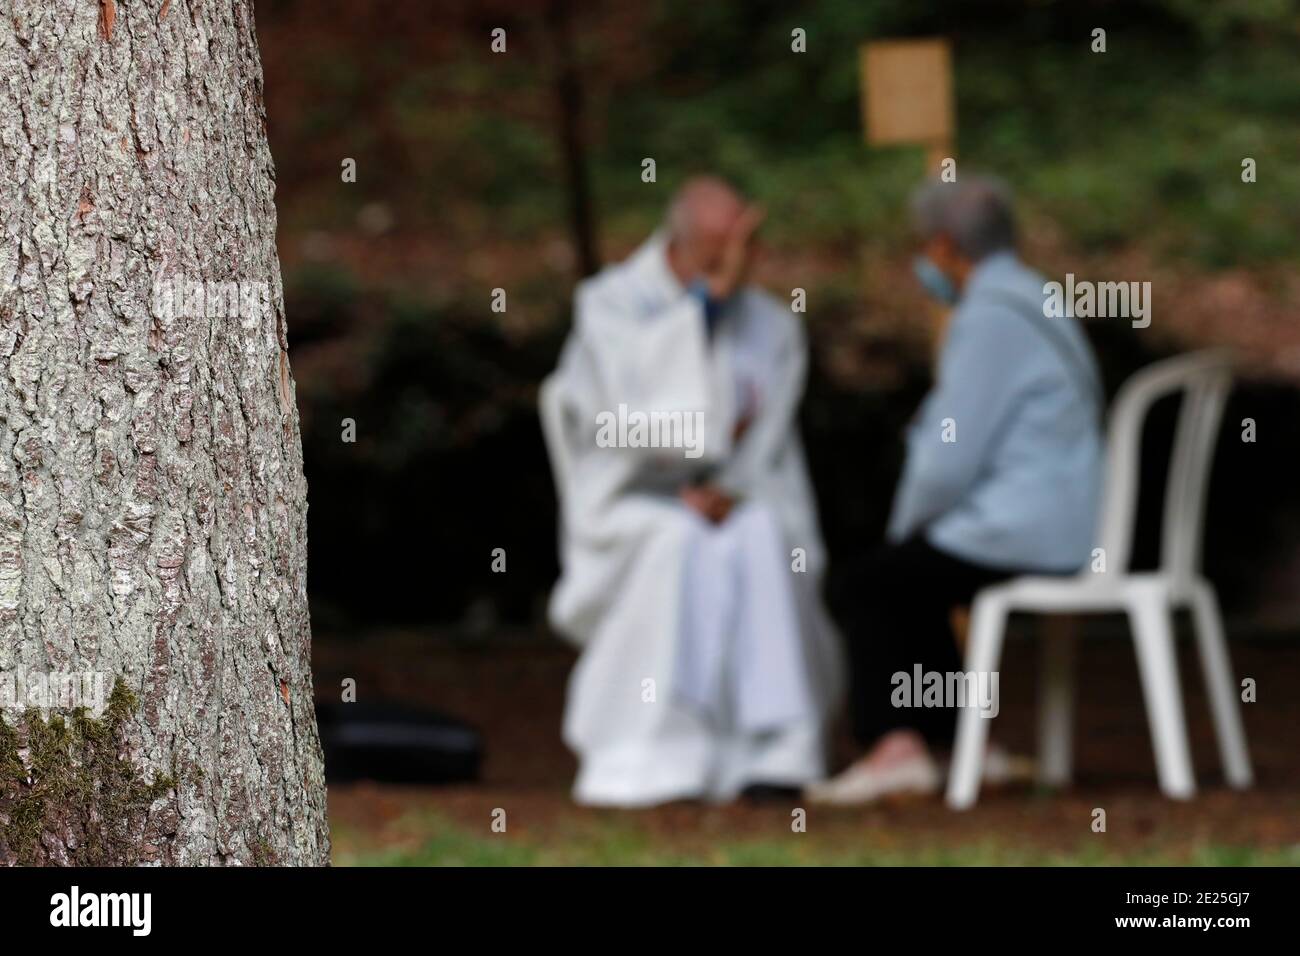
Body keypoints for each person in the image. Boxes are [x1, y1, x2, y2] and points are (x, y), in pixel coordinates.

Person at [546, 176, 842, 807]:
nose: (732, 266)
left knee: (761, 534)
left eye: (740, 249)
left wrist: (725, 488)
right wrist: (704, 309)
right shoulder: (611, 304)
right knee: (678, 539)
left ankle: (771, 750)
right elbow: (619, 420)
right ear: (680, 244)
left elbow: (767, 442)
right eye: (715, 253)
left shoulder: (771, 325)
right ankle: (655, 753)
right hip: (627, 497)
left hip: (734, 496)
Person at [809, 175, 1104, 805]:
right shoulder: (1037, 297)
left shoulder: (989, 317)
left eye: (923, 247)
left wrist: (905, 527)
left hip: (1026, 528)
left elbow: (946, 460)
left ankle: (896, 746)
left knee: (870, 580)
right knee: (911, 580)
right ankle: (956, 744)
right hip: (1063, 519)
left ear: (945, 246)